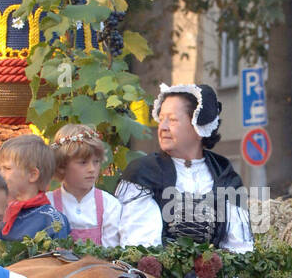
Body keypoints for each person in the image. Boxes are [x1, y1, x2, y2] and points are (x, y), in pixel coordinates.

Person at [115, 83, 252, 252]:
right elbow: (140, 246)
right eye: (161, 118)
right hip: (155, 276)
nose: (163, 127)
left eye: (172, 120)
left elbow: (239, 248)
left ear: (198, 127)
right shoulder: (144, 173)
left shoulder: (225, 175)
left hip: (215, 277)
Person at [48, 124, 122, 249]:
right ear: (61, 165)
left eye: (96, 162)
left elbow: (111, 251)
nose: (92, 169)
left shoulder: (109, 205)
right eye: (83, 162)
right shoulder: (48, 204)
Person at [0, 134, 70, 244]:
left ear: (32, 175)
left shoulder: (52, 221)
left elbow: (56, 259)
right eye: (0, 168)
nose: (1, 174)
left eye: (7, 168)